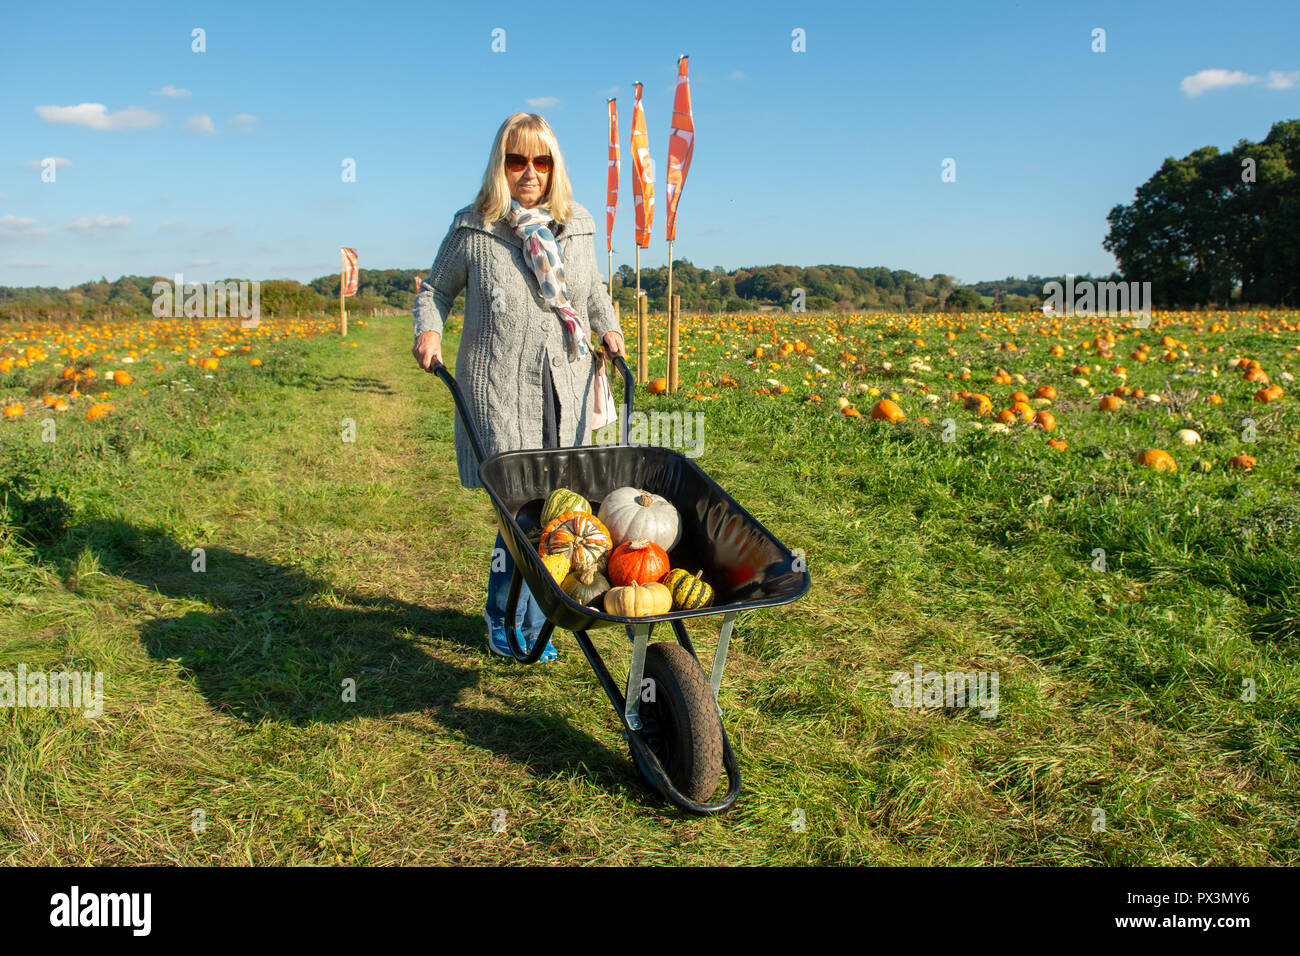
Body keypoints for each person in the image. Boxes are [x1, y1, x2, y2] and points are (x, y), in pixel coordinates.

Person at [412, 112, 626, 662]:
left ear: (554, 166)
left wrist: (610, 326)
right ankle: (504, 620)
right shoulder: (474, 228)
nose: (529, 172)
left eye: (541, 160)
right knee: (520, 516)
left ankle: (542, 618)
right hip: (498, 390)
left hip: (567, 387)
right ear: (499, 164)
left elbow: (591, 290)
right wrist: (429, 332)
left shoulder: (575, 223)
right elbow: (434, 290)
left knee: (562, 508)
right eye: (516, 159)